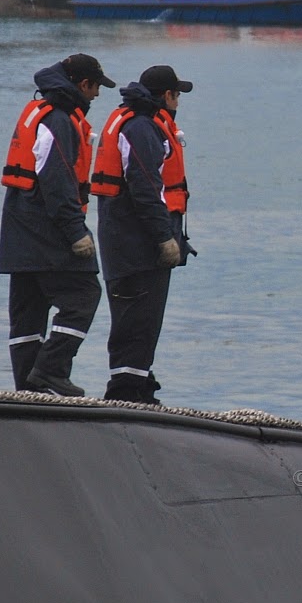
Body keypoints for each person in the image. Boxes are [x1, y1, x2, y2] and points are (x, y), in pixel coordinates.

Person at [0, 54, 115, 396]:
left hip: (18, 228)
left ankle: (27, 389)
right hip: (45, 227)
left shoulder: (39, 110)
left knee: (28, 311)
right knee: (84, 295)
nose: (96, 96)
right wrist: (76, 232)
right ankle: (50, 372)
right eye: (95, 88)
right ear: (83, 84)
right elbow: (57, 180)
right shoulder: (60, 120)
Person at [92, 64, 194, 405]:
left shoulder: (135, 123)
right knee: (137, 319)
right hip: (136, 245)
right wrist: (164, 237)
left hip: (128, 239)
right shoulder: (142, 127)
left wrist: (177, 237)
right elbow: (146, 188)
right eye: (177, 95)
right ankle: (126, 392)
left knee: (140, 321)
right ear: (167, 95)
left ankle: (139, 385)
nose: (178, 102)